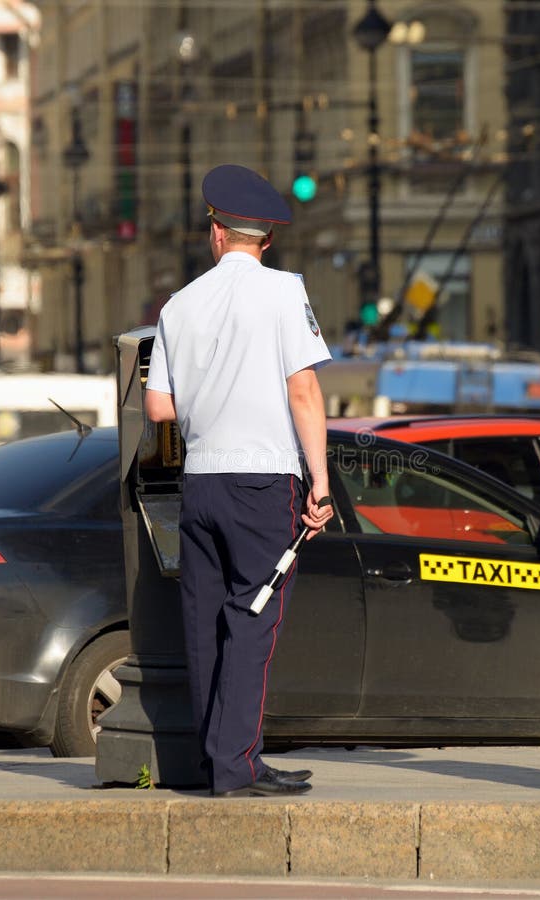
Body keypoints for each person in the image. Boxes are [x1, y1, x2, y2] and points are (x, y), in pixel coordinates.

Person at [144, 163, 334, 797]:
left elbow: (158, 408)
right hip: (263, 482)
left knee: (205, 626)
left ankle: (221, 760)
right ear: (266, 239)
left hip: (200, 483)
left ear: (217, 232)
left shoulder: (178, 305)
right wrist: (321, 483)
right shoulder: (283, 292)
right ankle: (237, 766)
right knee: (254, 619)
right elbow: (303, 391)